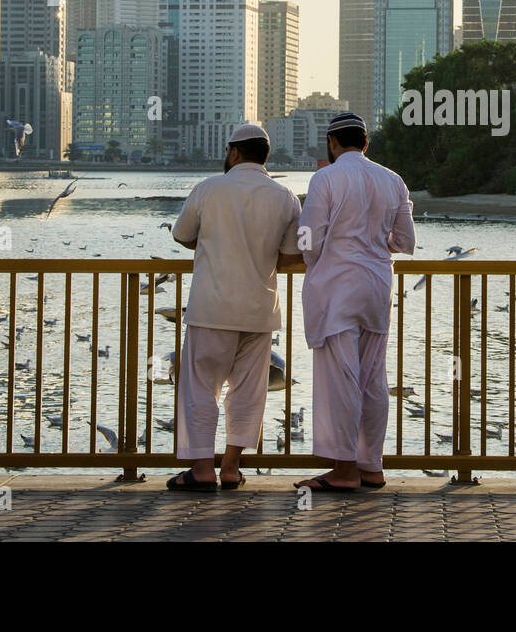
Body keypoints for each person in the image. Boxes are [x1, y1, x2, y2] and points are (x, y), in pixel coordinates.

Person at [166, 125, 303, 491]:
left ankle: (201, 470)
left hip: (211, 307)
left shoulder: (209, 188)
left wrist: (214, 242)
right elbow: (290, 255)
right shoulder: (286, 196)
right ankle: (230, 468)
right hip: (259, 310)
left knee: (200, 387)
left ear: (235, 153)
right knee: (248, 390)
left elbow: (182, 235)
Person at [295, 112, 415, 491]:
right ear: (366, 143)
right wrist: (376, 244)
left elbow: (308, 241)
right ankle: (371, 466)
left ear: (332, 143)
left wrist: (319, 260)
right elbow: (405, 242)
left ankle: (344, 471)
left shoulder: (326, 178)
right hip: (377, 286)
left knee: (342, 379)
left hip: (337, 289)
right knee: (372, 379)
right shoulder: (393, 180)